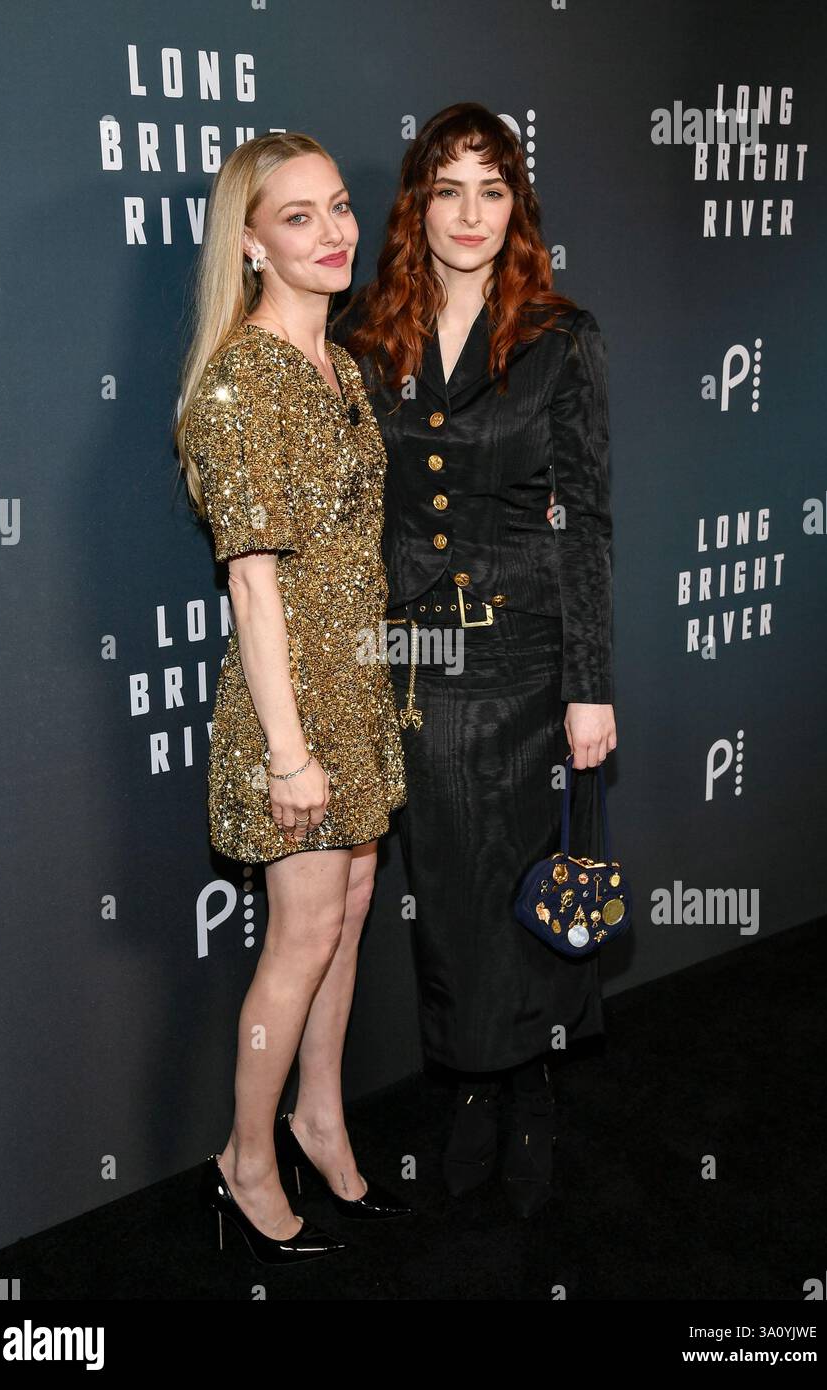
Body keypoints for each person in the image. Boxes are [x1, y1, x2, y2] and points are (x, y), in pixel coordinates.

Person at [330, 103, 617, 1218]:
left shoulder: (559, 335)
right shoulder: (366, 338)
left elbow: (584, 520)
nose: (468, 213)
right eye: (447, 188)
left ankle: (534, 1078)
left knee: (529, 882)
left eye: (489, 190)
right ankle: (464, 1085)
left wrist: (590, 683)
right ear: (418, 202)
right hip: (415, 658)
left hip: (533, 655)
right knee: (447, 892)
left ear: (516, 206)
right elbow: (353, 513)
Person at [175, 133, 411, 1264]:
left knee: (350, 910)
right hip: (292, 711)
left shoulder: (344, 366)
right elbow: (252, 587)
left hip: (356, 689)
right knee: (301, 931)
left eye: (338, 208)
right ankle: (244, 1161)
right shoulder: (238, 381)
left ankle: (320, 1118)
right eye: (299, 217)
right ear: (253, 242)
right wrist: (286, 754)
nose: (332, 234)